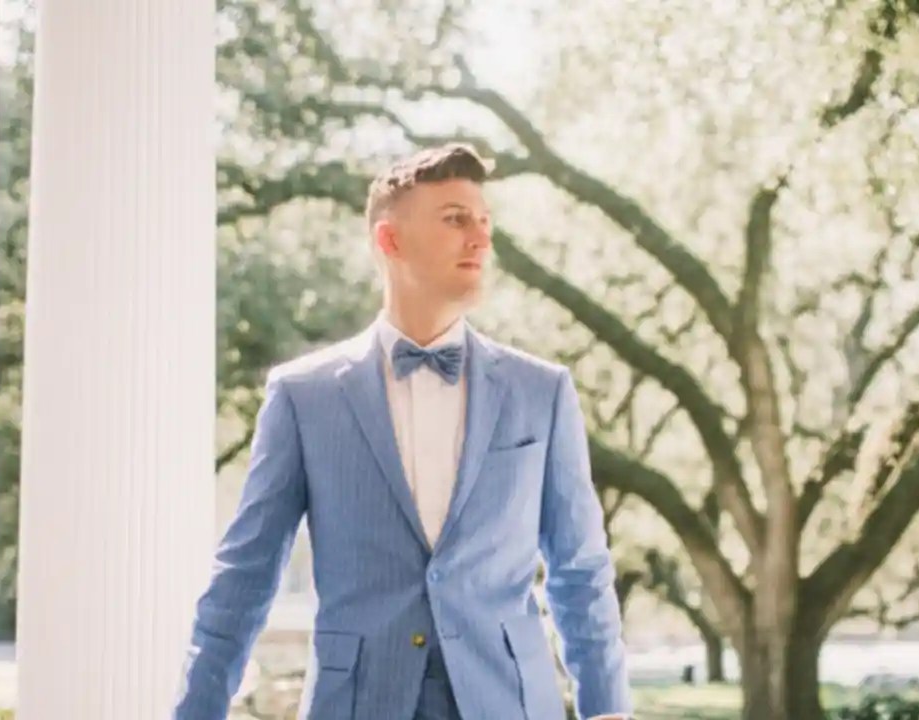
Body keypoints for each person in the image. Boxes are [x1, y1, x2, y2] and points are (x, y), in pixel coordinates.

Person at [172, 143, 632, 720]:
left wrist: (607, 709)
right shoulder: (303, 397)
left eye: (484, 221)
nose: (481, 238)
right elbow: (245, 575)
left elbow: (581, 572)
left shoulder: (542, 392)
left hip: (508, 703)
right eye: (455, 219)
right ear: (390, 240)